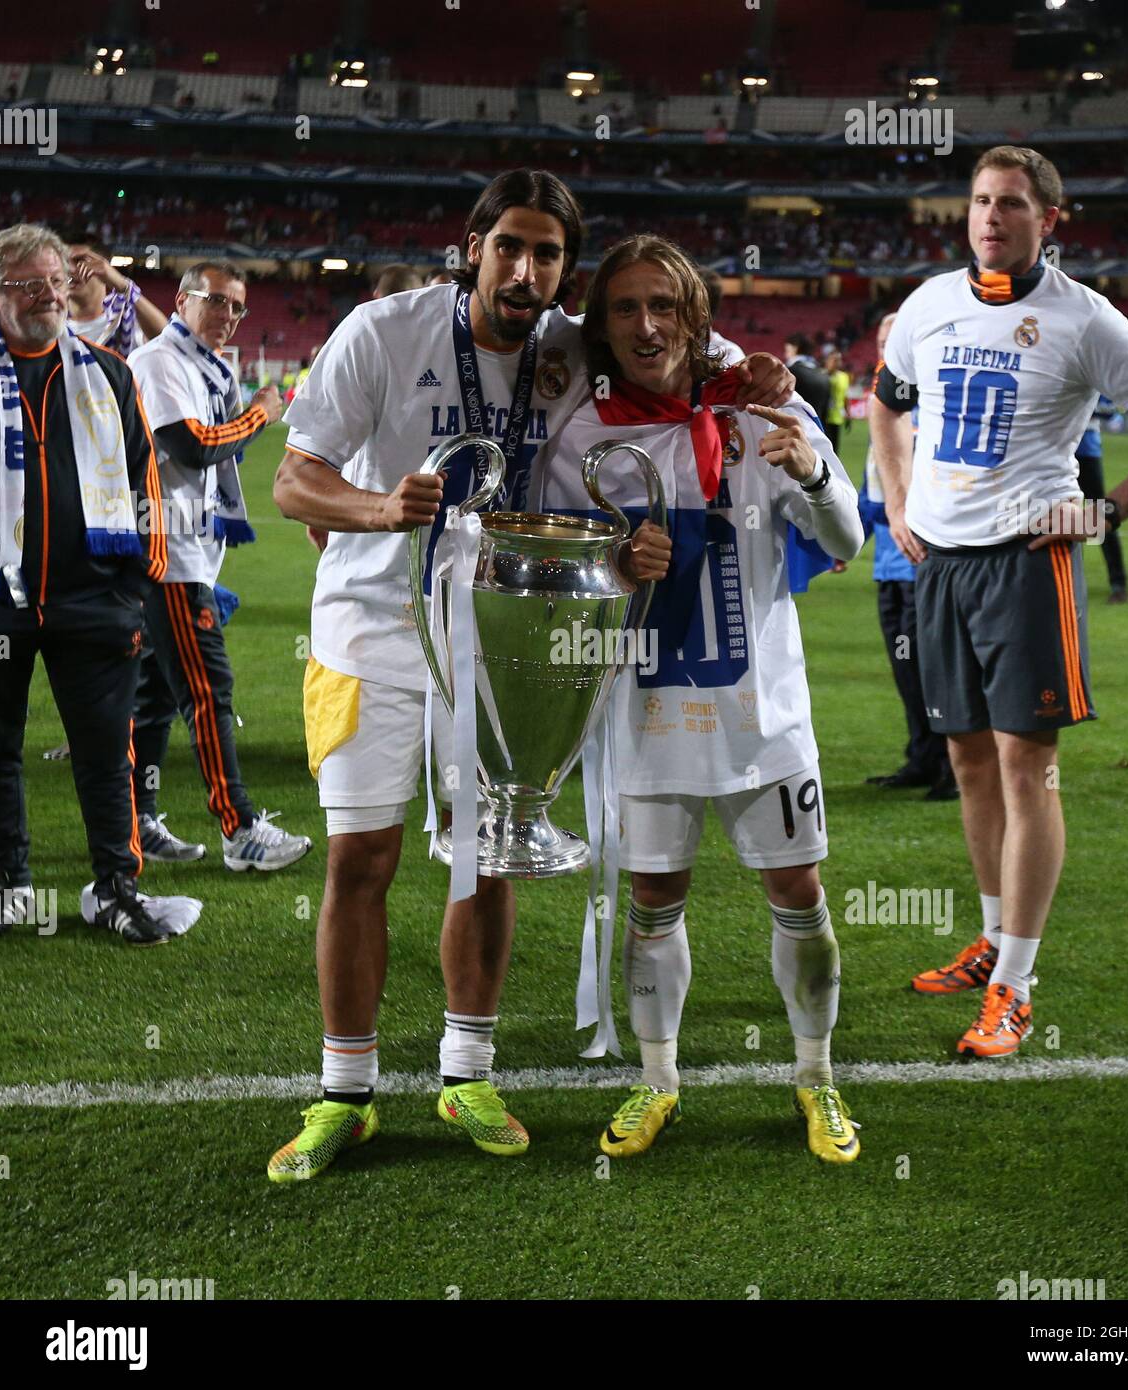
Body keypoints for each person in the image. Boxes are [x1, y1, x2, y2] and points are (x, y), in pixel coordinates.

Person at [267, 169, 794, 1182]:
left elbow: (680, 333)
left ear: (564, 268)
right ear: (471, 246)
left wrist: (759, 370)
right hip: (370, 629)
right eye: (508, 244)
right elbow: (297, 476)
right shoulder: (382, 332)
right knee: (359, 859)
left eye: (547, 253)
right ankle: (345, 1091)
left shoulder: (567, 346)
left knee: (489, 847)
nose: (525, 268)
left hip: (499, 636)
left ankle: (467, 1068)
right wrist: (383, 508)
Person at [870, 146, 1128, 1056]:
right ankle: (993, 939)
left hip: (1028, 566)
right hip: (939, 563)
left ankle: (1017, 986)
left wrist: (1102, 513)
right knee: (970, 763)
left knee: (1027, 770)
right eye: (980, 201)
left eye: (1011, 204)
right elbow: (885, 403)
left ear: (1048, 220)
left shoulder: (1086, 319)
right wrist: (898, 502)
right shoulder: (930, 305)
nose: (990, 217)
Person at [540, 235, 865, 1162]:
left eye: (664, 306)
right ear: (602, 326)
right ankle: (658, 1079)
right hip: (645, 711)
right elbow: (559, 579)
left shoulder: (765, 406)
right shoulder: (585, 438)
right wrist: (609, 559)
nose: (646, 326)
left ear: (694, 313)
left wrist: (807, 471)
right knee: (655, 897)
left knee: (799, 891)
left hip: (763, 712)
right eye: (624, 310)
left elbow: (844, 539)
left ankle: (815, 1076)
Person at [0, 223, 180, 944]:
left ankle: (115, 887)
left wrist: (135, 587)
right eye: (29, 284)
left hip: (94, 599)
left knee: (108, 755)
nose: (49, 296)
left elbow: (146, 487)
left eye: (57, 282)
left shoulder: (108, 373)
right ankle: (9, 883)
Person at [126, 263, 311, 871]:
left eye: (238, 307)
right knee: (210, 690)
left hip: (191, 551)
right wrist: (261, 413)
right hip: (169, 553)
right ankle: (241, 831)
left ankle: (141, 820)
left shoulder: (208, 365)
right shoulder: (159, 363)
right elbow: (190, 445)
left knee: (154, 696)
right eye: (218, 302)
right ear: (181, 300)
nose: (230, 316)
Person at [864, 312, 955, 799]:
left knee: (933, 667)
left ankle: (952, 765)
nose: (884, 348)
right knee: (906, 668)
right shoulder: (886, 410)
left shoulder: (933, 406)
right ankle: (921, 756)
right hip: (888, 562)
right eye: (880, 339)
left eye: (892, 339)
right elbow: (871, 487)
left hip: (925, 563)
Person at [62, 232, 168, 355]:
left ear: (104, 267)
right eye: (64, 262)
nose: (70, 269)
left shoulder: (126, 319)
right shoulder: (52, 324)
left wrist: (124, 286)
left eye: (80, 261)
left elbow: (165, 339)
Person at [1075, 395, 1128, 601]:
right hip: (1057, 452)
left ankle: (1118, 583)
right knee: (1053, 515)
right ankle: (1063, 581)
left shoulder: (1091, 371)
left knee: (1099, 516)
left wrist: (1078, 406)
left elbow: (1109, 409)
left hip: (1086, 449)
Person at [783, 331, 831, 423]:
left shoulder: (789, 372)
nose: (785, 354)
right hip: (817, 429)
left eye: (787, 350)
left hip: (794, 429)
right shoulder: (823, 374)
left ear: (795, 349)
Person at [824, 350, 850, 456]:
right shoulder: (822, 376)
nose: (837, 362)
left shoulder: (844, 377)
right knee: (824, 449)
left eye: (839, 360)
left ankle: (833, 471)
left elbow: (845, 396)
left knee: (835, 451)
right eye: (835, 360)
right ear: (828, 361)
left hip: (837, 418)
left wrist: (848, 414)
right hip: (823, 417)